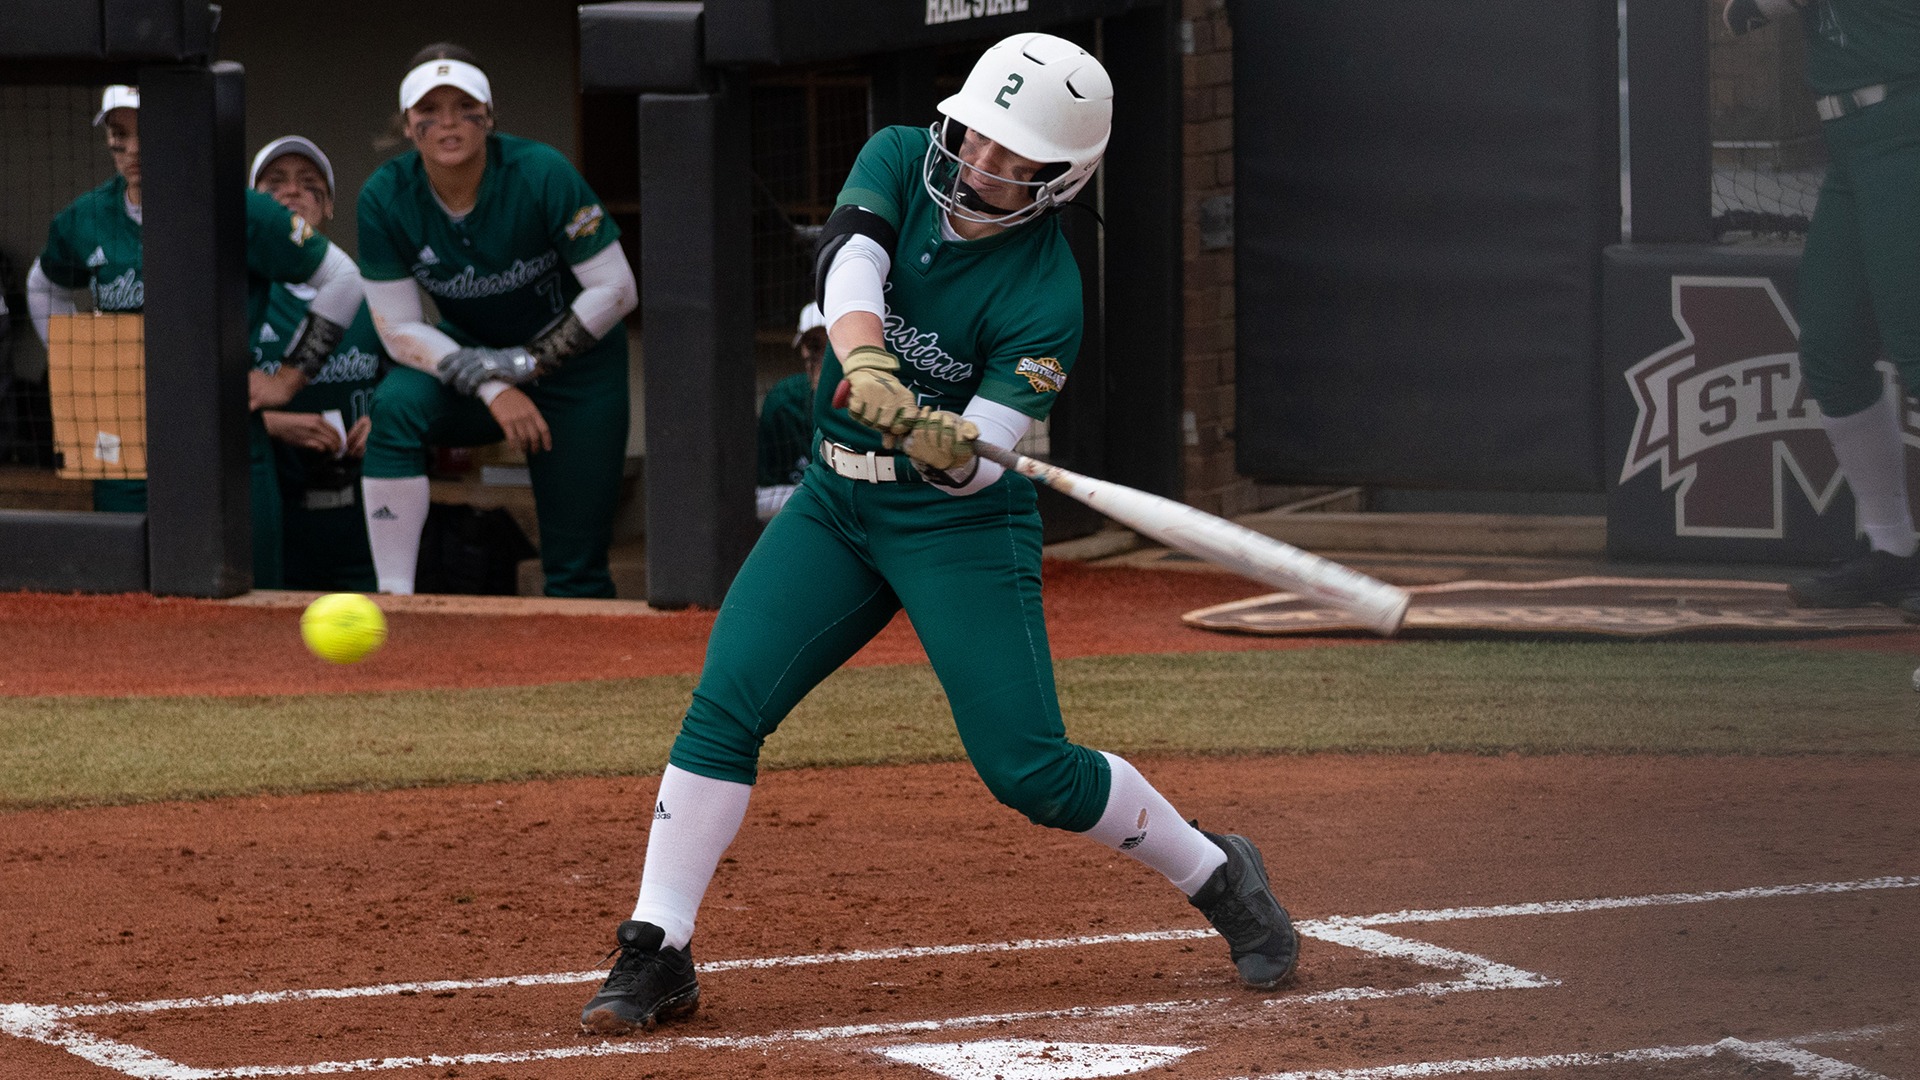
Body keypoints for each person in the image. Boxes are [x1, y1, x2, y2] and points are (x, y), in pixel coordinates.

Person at [578, 33, 1299, 1037]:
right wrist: (868, 365)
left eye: (1016, 160)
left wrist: (949, 443)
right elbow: (852, 259)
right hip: (833, 502)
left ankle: (1218, 872)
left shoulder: (1047, 296)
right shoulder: (894, 157)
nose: (983, 166)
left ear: (1060, 181)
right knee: (725, 705)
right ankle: (660, 948)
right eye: (979, 138)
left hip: (956, 524)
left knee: (1031, 772)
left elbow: (977, 460)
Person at [27, 85, 365, 586]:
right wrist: (74, 361)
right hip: (123, 431)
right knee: (124, 590)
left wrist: (288, 381)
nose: (135, 149)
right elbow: (42, 283)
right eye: (121, 134)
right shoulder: (86, 218)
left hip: (221, 428)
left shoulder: (241, 209)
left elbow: (343, 278)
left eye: (149, 133)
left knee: (246, 581)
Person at [356, 44, 637, 598]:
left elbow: (618, 289)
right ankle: (395, 598)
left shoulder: (541, 172)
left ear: (489, 114)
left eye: (464, 106)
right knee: (395, 406)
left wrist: (526, 364)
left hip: (575, 371)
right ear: (408, 125)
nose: (448, 122)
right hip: (471, 358)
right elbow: (397, 328)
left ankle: (577, 675)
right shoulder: (385, 197)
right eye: (429, 110)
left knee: (576, 565)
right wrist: (492, 383)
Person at [1719, 2, 1920, 607]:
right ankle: (1893, 552)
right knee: (1832, 349)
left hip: (1908, 124)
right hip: (1850, 140)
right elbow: (1736, 13)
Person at [250, 135, 388, 592]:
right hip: (274, 506)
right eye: (275, 184)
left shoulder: (369, 291)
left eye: (310, 185)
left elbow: (412, 371)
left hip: (362, 510)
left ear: (328, 207)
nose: (292, 192)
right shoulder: (241, 298)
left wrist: (384, 417)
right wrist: (271, 423)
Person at [753, 302, 826, 520]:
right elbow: (757, 499)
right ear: (802, 349)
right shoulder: (784, 402)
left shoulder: (871, 398)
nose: (820, 355)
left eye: (828, 342)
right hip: (802, 521)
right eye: (813, 345)